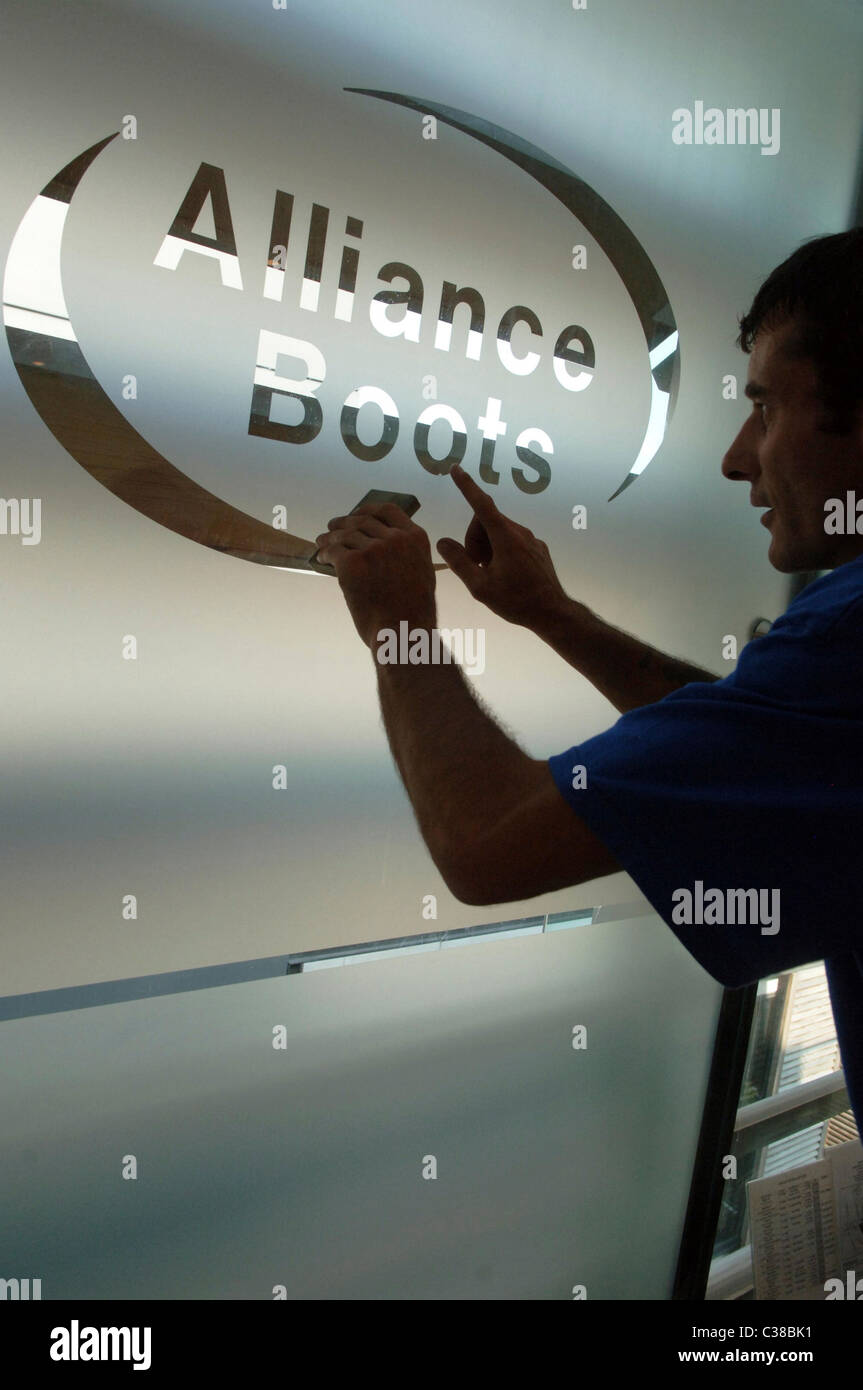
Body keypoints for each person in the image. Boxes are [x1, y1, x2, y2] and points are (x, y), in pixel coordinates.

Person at [315, 227, 863, 1133]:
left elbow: (485, 843)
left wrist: (397, 625)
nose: (737, 458)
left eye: (765, 410)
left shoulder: (844, 633)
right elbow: (755, 752)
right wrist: (554, 617)